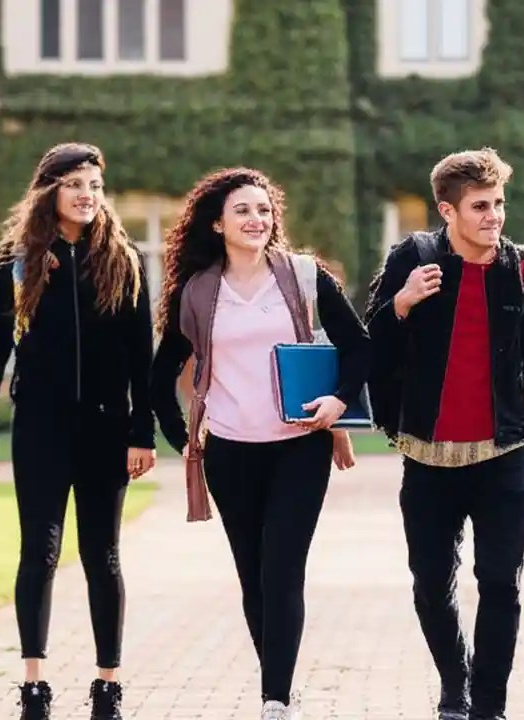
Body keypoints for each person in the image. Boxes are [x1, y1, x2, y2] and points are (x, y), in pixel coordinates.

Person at [149, 167, 370, 720]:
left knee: (281, 571)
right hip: (229, 453)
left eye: (264, 209)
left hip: (299, 448)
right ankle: (281, 686)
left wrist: (339, 402)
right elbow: (160, 377)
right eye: (242, 210)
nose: (256, 219)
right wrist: (185, 440)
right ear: (218, 223)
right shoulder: (197, 292)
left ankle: (275, 701)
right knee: (253, 577)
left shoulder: (304, 276)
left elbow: (360, 348)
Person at [363, 147, 524, 720]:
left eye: (498, 203)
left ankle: (488, 707)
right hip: (426, 460)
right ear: (447, 211)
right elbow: (369, 350)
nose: (493, 216)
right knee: (431, 584)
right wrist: (401, 304)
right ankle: (456, 684)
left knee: (501, 584)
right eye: (480, 206)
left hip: (502, 457)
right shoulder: (414, 258)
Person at [0, 142, 155, 720]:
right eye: (75, 183)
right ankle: (34, 685)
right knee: (39, 554)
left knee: (104, 556)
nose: (87, 194)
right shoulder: (15, 265)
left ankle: (108, 685)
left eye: (95, 185)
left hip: (105, 430)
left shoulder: (123, 261)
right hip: (41, 427)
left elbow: (138, 357)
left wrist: (142, 432)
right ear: (48, 190)